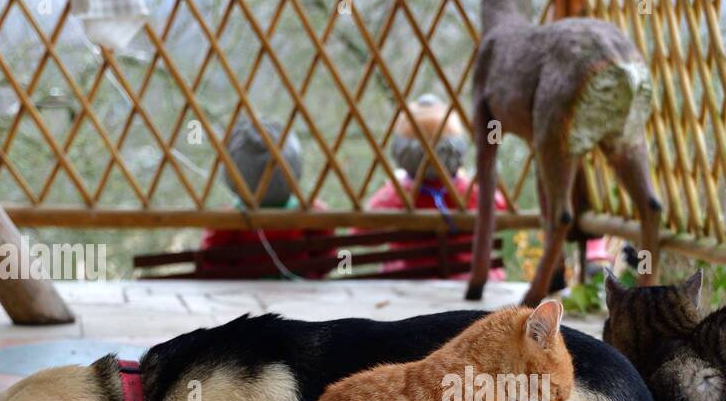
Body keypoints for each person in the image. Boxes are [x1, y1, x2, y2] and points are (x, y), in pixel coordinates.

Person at [364, 95, 509, 279]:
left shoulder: (397, 195)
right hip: (466, 280)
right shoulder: (470, 192)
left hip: (408, 280)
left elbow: (362, 232)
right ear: (457, 149)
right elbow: (501, 209)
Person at [200, 119, 334, 278]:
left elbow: (209, 265)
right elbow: (326, 261)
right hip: (302, 296)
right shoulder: (312, 214)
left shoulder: (226, 223)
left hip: (241, 298)